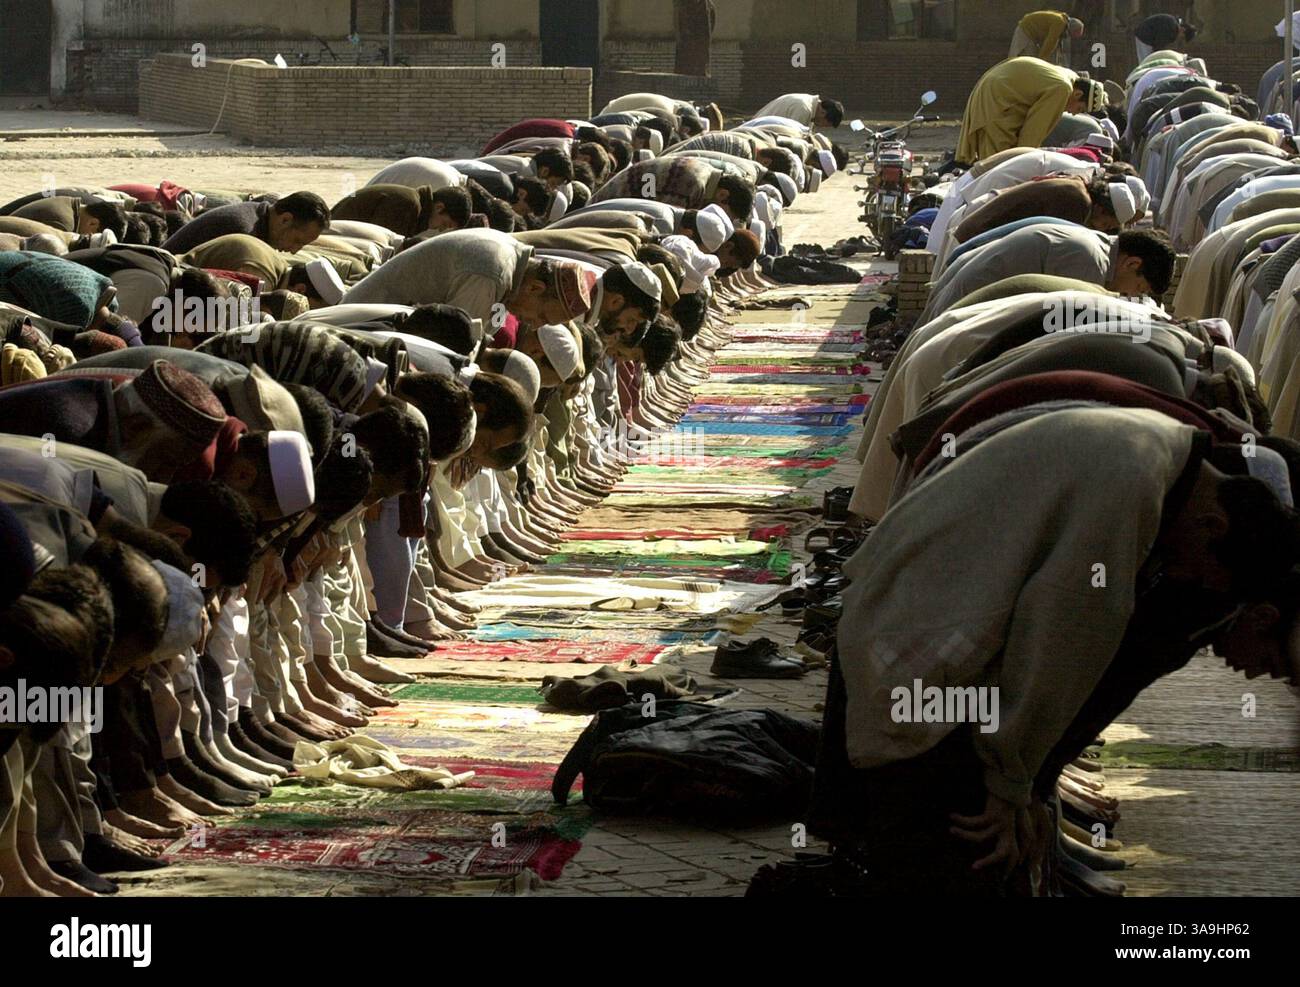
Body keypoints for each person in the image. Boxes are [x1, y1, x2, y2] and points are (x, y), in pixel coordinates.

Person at [814, 405, 1300, 894]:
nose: (1178, 577)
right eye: (1196, 573)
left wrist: (1027, 785)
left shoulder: (1161, 444)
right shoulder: (1131, 492)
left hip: (893, 611)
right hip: (905, 651)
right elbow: (1059, 645)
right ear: (1212, 528)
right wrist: (1011, 786)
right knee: (972, 851)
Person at [921, 225, 1175, 322]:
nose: (1129, 296)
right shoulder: (1089, 262)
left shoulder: (1096, 245)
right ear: (1131, 264)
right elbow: (1064, 325)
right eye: (1139, 289)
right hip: (964, 306)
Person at [957, 59, 1103, 166]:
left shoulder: (1069, 78)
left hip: (999, 94)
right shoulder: (1063, 89)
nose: (1073, 114)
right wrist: (1025, 163)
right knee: (998, 162)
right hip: (998, 101)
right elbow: (1032, 133)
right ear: (1077, 95)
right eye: (1079, 109)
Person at [161, 191, 330, 256]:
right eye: (297, 241)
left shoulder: (257, 215)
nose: (294, 251)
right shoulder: (244, 234)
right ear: (285, 219)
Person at [330, 184, 473, 237]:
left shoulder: (414, 206)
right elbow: (382, 244)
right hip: (332, 235)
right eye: (445, 224)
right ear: (439, 207)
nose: (441, 230)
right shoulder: (408, 205)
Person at [1008, 11, 1084, 63]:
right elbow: (1050, 43)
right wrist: (1042, 61)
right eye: (1072, 35)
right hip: (1025, 30)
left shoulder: (1062, 23)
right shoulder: (1060, 23)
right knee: (1026, 59)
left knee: (1032, 60)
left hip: (1032, 35)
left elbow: (1055, 47)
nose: (1069, 37)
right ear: (1072, 29)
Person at [748, 94, 845, 129]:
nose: (821, 126)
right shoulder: (804, 109)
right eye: (825, 124)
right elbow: (794, 139)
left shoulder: (810, 106)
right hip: (755, 130)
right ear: (823, 113)